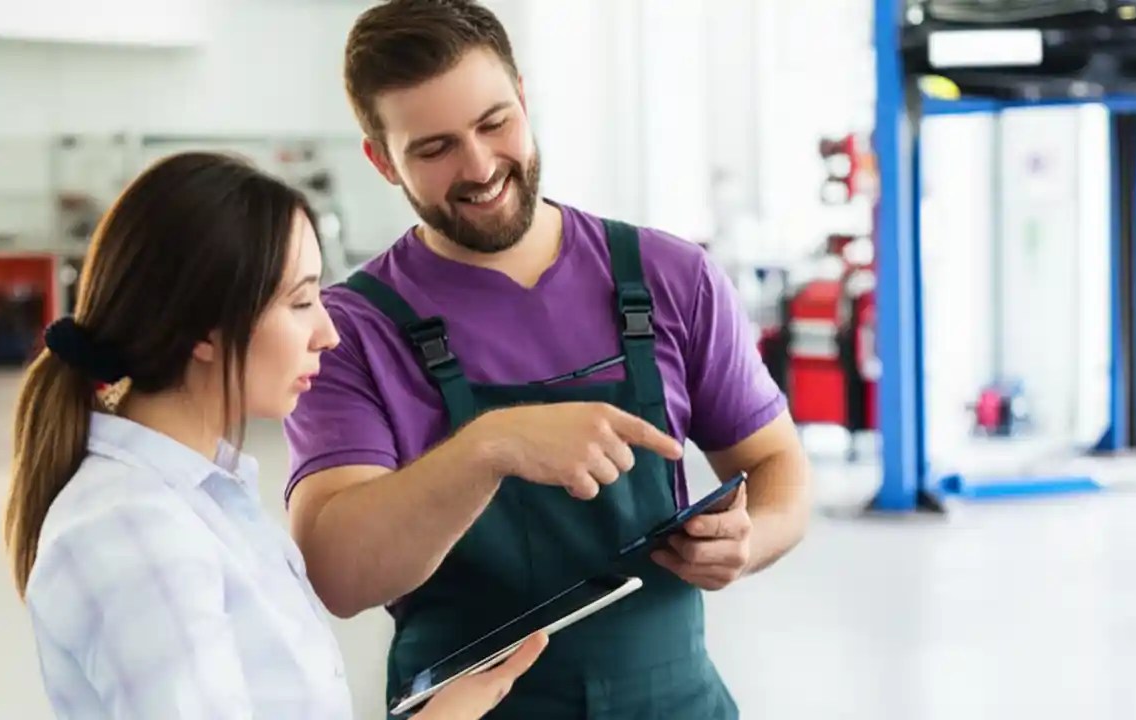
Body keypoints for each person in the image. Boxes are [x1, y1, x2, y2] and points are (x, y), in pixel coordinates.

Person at [284, 1, 815, 717]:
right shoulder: (350, 331)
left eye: (494, 123)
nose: (479, 167)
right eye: (434, 148)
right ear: (381, 160)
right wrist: (491, 447)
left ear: (525, 100)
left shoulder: (670, 278)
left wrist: (748, 542)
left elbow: (779, 465)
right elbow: (340, 577)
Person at [3, 151, 547, 720]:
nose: (328, 333)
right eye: (301, 301)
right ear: (204, 329)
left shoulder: (202, 497)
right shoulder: (134, 531)